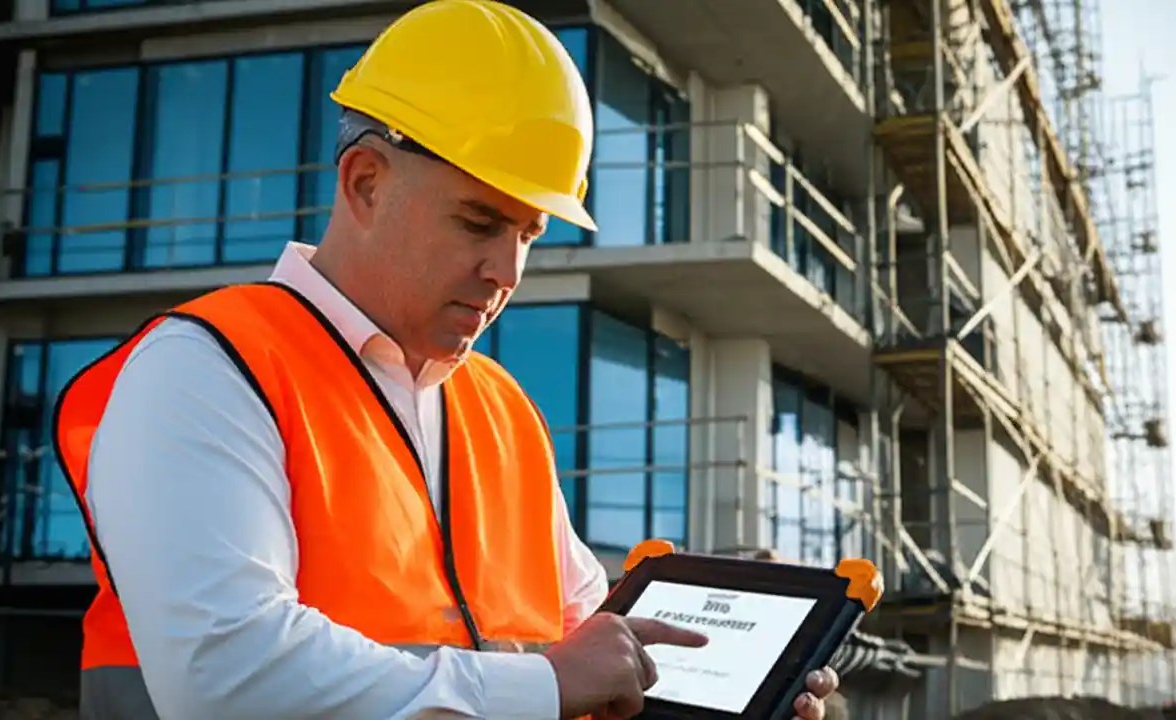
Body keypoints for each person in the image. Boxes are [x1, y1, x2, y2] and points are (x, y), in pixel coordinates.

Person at [53, 1, 839, 718]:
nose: (508, 271)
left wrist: (721, 699)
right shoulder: (204, 367)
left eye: (529, 234)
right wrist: (549, 682)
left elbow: (592, 659)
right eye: (478, 223)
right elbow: (226, 670)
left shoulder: (504, 413)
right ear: (365, 183)